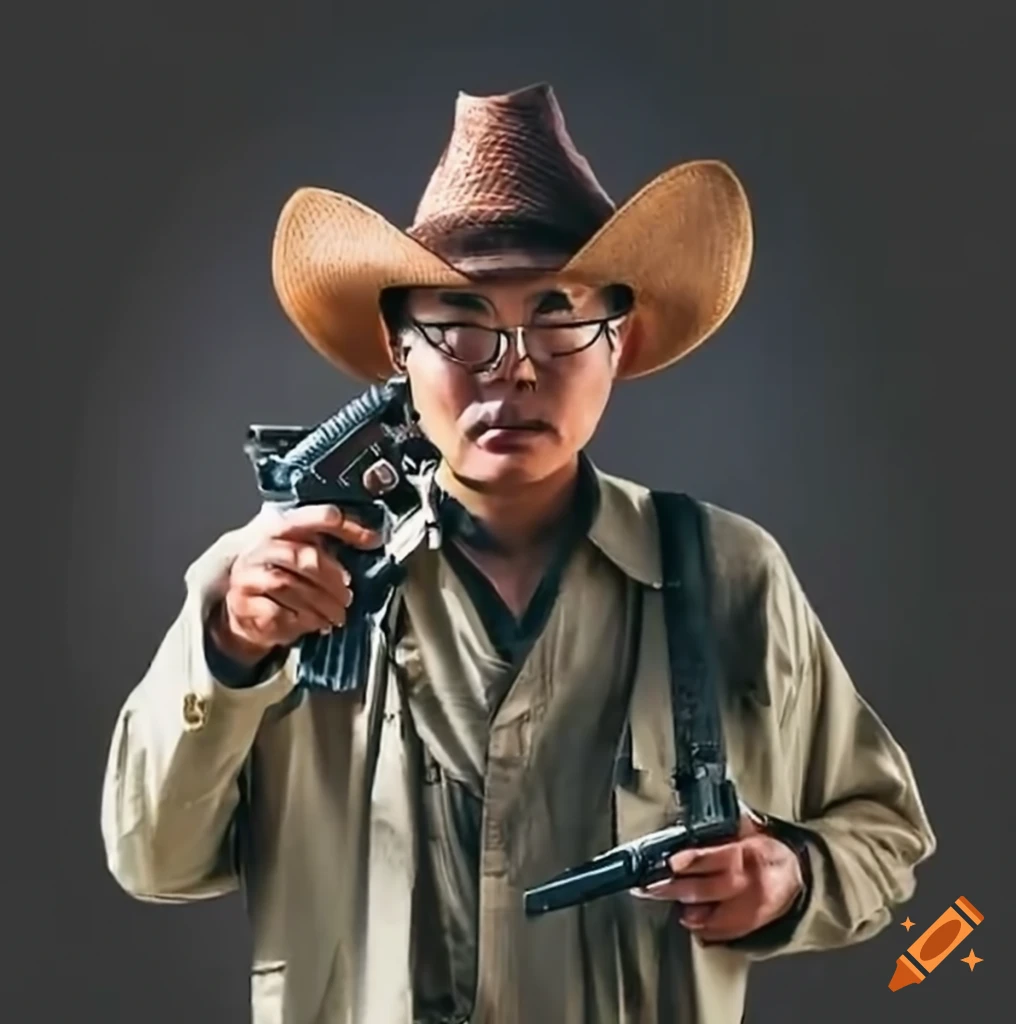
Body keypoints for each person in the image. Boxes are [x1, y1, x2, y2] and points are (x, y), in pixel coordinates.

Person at [100, 83, 935, 1024]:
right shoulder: (272, 584)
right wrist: (229, 650)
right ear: (397, 349)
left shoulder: (730, 574)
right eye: (460, 323)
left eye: (559, 316)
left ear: (623, 338)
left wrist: (786, 877)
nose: (515, 365)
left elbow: (885, 833)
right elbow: (150, 857)